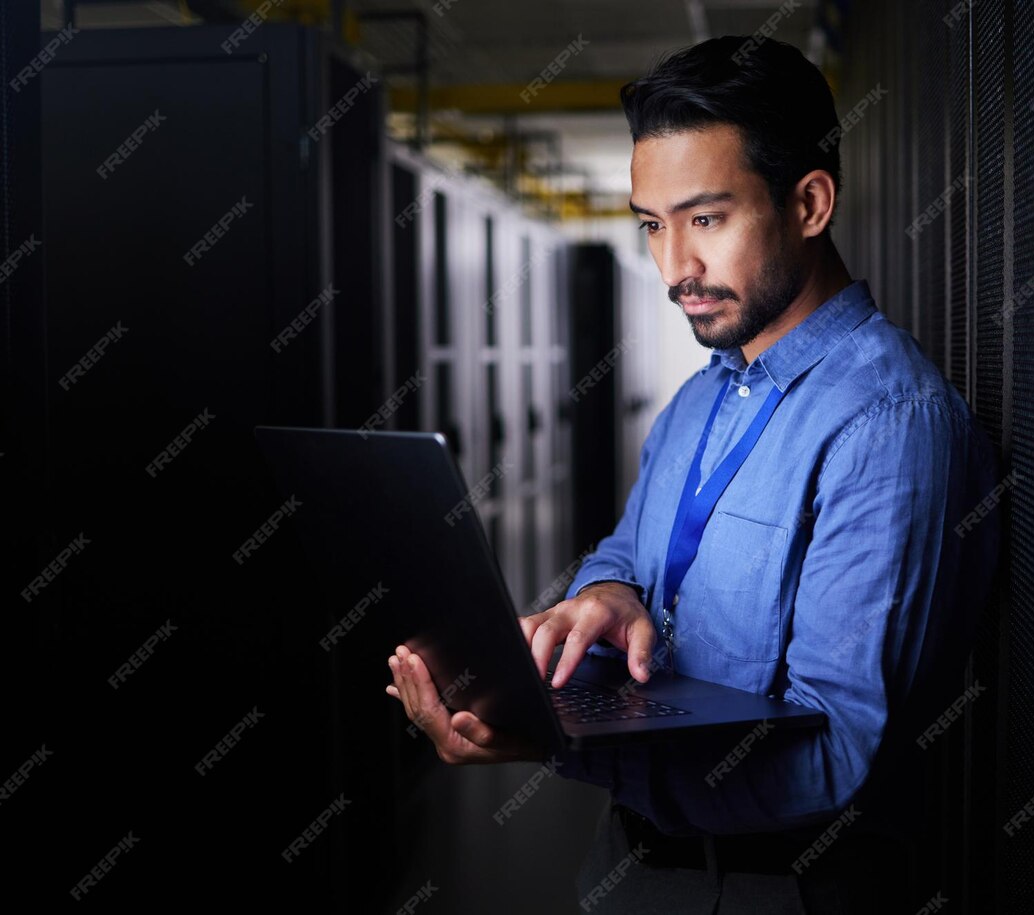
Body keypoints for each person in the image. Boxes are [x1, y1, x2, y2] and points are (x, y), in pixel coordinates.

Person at [387, 34, 1000, 913]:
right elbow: (626, 554)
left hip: (775, 889)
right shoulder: (698, 401)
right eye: (651, 224)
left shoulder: (889, 425)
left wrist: (542, 739)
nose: (674, 267)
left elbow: (836, 757)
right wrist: (606, 595)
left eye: (705, 219)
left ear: (810, 203)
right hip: (629, 864)